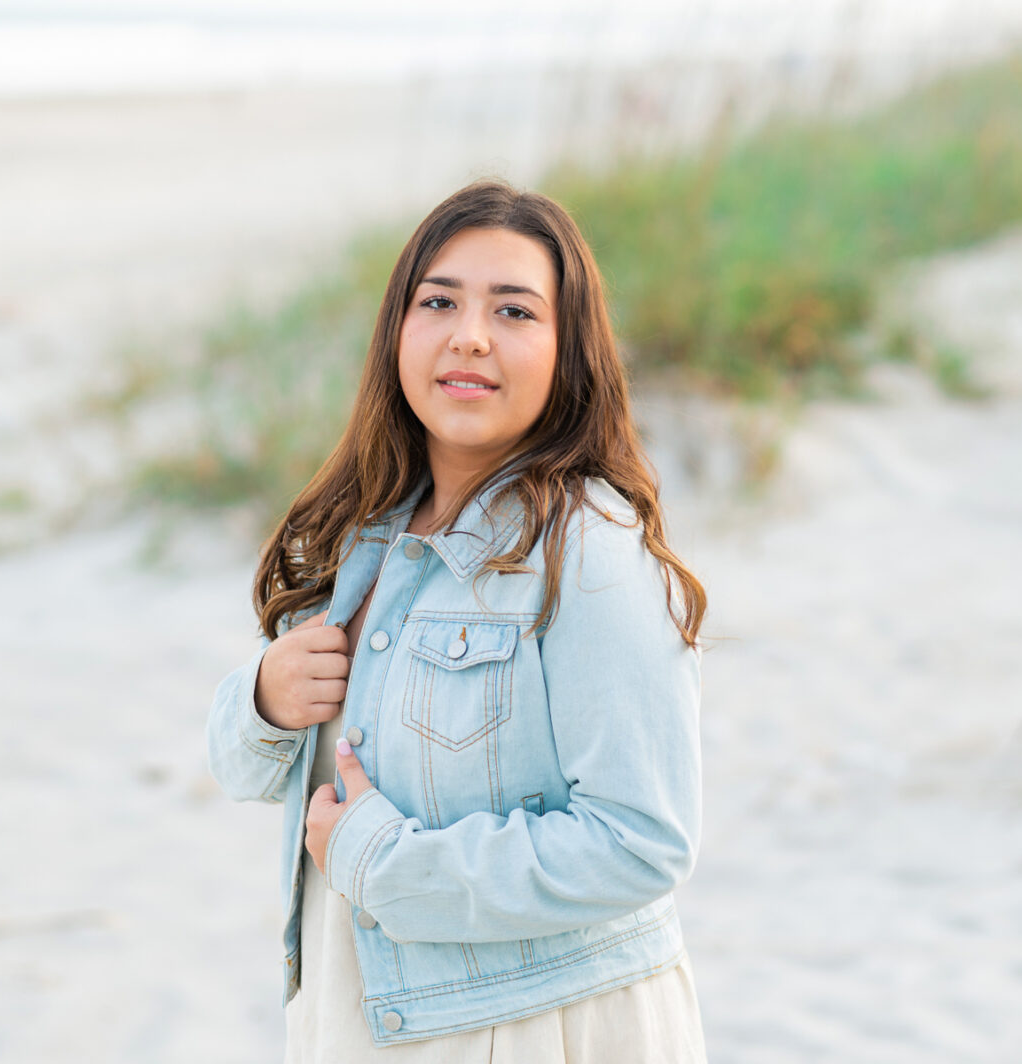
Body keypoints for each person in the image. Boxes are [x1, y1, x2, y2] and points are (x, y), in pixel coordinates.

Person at [206, 178, 709, 1061]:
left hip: (532, 1026)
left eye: (515, 312)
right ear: (397, 331)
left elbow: (641, 843)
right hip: (359, 1010)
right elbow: (249, 774)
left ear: (569, 353)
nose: (469, 334)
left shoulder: (587, 552)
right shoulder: (363, 537)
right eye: (439, 300)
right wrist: (261, 700)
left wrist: (384, 864)